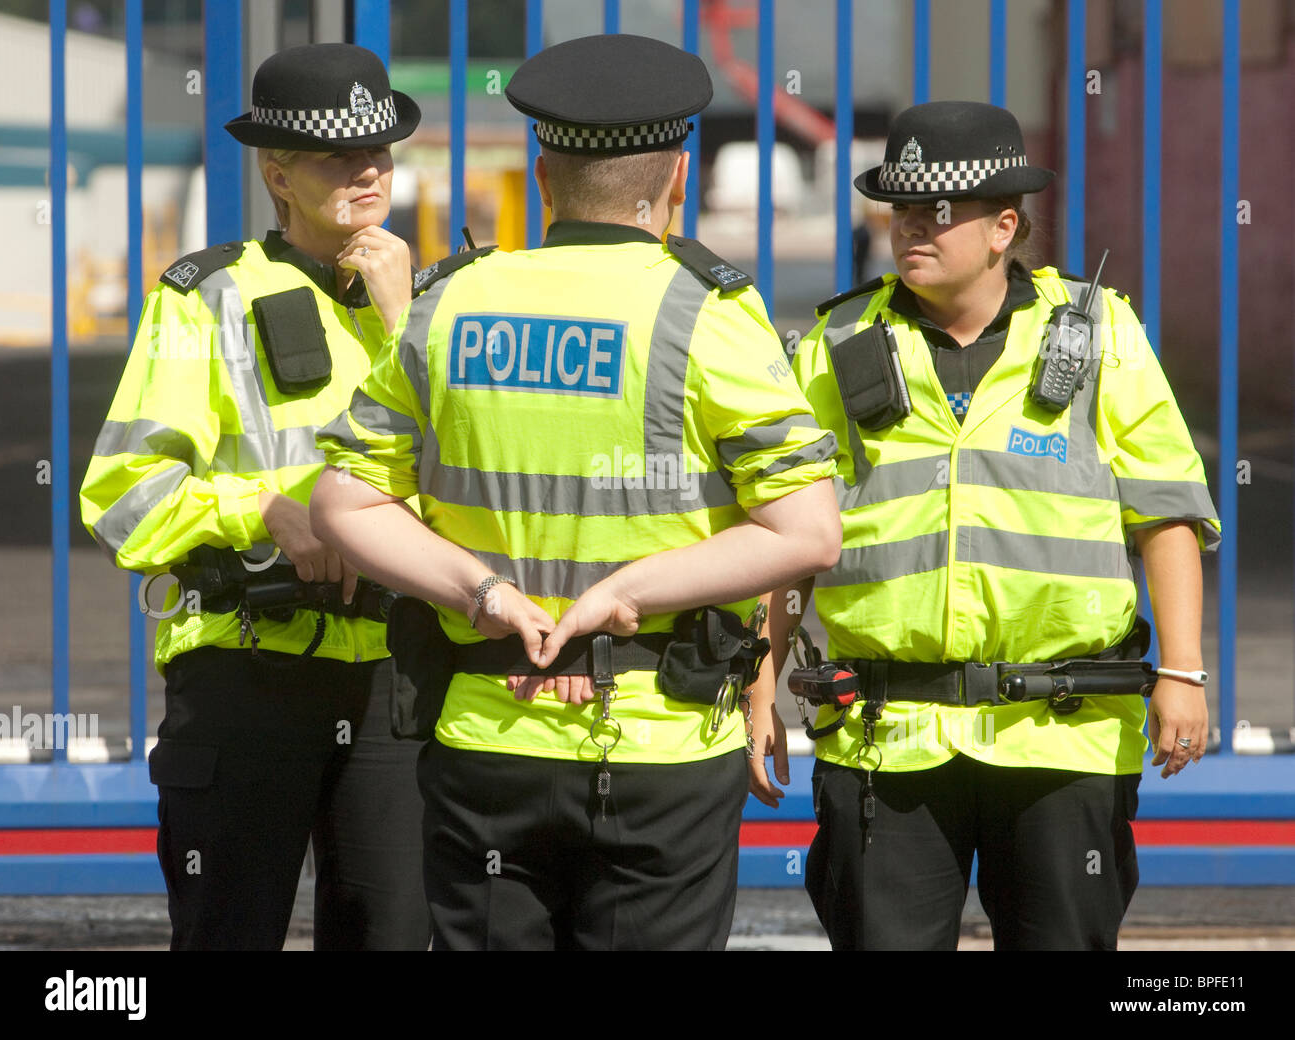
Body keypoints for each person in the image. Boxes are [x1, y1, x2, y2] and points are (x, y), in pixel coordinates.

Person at [310, 33, 841, 951]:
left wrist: (482, 592)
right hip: (660, 753)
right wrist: (625, 593)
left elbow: (342, 504)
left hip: (485, 738)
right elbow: (807, 534)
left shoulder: (451, 305)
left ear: (544, 173)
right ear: (676, 175)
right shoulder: (705, 311)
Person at [754, 101, 1220, 951]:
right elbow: (790, 529)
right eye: (901, 210)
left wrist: (1181, 671)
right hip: (886, 738)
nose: (911, 230)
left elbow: (1168, 512)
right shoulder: (838, 341)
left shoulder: (1098, 332)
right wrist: (761, 679)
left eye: (938, 212)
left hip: (1062, 736)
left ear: (1005, 226)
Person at [79, 43, 433, 951]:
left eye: (379, 152)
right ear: (276, 173)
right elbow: (124, 494)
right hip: (246, 667)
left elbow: (482, 481)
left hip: (396, 673)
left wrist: (408, 324)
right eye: (334, 157)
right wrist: (267, 511)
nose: (366, 171)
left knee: (393, 934)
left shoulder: (438, 305)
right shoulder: (208, 298)